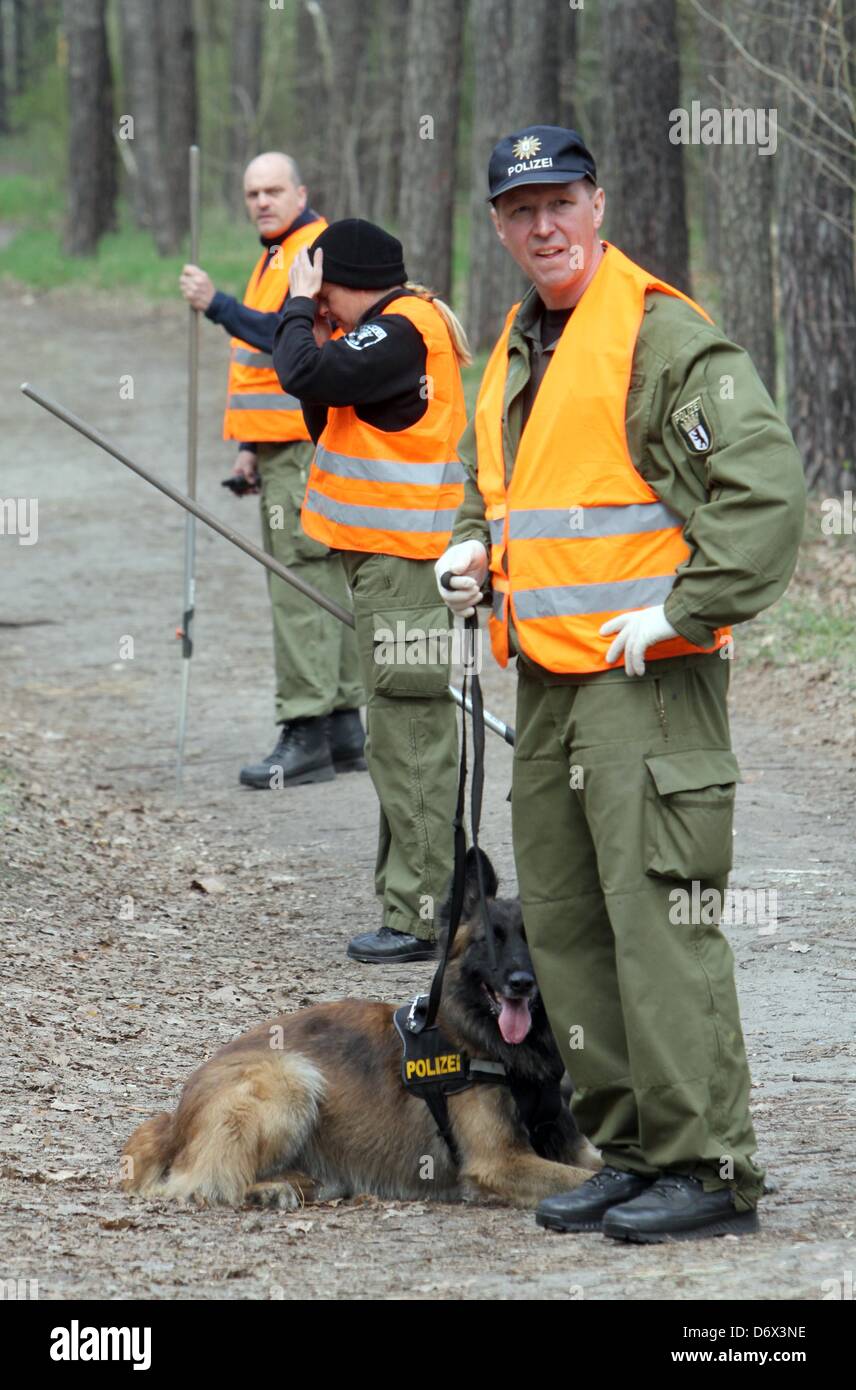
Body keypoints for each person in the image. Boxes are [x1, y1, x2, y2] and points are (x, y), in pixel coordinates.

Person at [435, 126, 806, 1242]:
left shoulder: (658, 333)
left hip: (645, 682)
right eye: (519, 210)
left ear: (597, 204)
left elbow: (766, 496)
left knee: (655, 922)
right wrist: (470, 552)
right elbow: (497, 491)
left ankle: (708, 1164)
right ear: (499, 226)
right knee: (564, 925)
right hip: (549, 681)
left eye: (559, 202)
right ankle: (633, 1147)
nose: (541, 225)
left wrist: (680, 614)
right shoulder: (514, 345)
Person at [273, 219, 469, 964]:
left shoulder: (403, 330)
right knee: (397, 734)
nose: (318, 309)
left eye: (323, 294)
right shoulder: (393, 331)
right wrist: (310, 322)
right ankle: (417, 901)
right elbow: (324, 407)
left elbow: (305, 375)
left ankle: (423, 917)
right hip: (389, 561)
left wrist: (298, 307)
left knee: (410, 738)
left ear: (344, 280)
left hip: (405, 562)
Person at [179, 151, 365, 789]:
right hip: (280, 444)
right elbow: (267, 368)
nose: (261, 200)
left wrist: (217, 305)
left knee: (299, 582)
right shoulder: (278, 250)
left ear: (301, 191)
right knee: (320, 575)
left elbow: (285, 334)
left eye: (273, 190)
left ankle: (307, 728)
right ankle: (343, 727)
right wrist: (249, 447)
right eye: (252, 191)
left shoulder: (313, 248)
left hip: (305, 443)